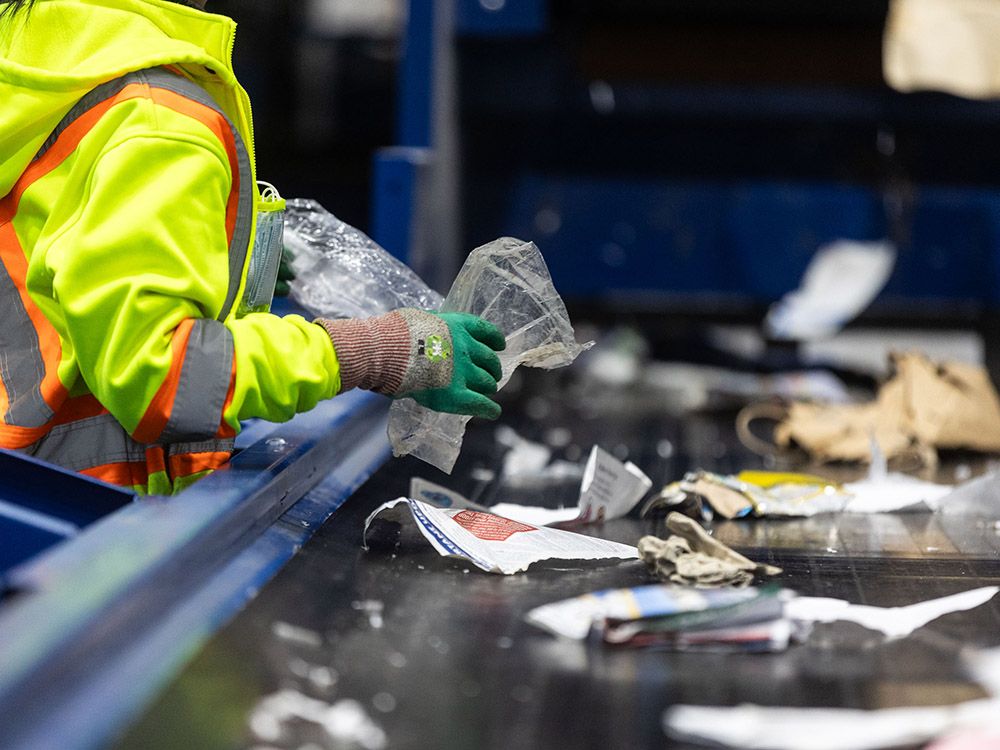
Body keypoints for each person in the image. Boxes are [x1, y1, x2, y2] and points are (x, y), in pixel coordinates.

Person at [0, 0, 505, 494]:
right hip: (87, 513)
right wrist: (378, 350)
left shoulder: (38, 69)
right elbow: (166, 376)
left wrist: (227, 270)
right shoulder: (156, 117)